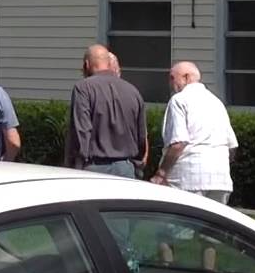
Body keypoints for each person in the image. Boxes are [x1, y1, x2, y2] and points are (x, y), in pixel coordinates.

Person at [152, 61, 237, 205]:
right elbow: (232, 146)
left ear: (186, 77)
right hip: (220, 179)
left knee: (180, 219)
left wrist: (161, 173)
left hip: (188, 178)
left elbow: (178, 143)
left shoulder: (179, 100)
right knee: (212, 220)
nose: (170, 83)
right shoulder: (217, 102)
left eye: (172, 78)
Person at [64, 44, 147, 178]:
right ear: (109, 64)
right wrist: (136, 165)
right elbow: (141, 136)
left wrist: (74, 166)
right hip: (126, 168)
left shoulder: (83, 88)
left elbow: (81, 133)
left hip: (94, 167)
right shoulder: (133, 91)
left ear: (86, 64)